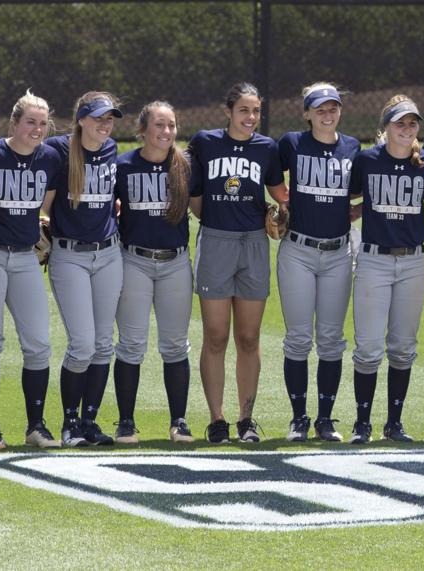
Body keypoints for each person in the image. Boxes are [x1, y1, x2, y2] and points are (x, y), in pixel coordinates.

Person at [188, 82, 286, 444]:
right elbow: (195, 198)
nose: (251, 117)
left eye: (256, 111)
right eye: (244, 110)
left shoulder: (267, 148)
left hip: (253, 244)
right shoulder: (205, 142)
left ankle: (246, 419)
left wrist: (280, 213)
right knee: (216, 335)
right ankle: (217, 419)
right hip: (216, 240)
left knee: (248, 337)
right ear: (228, 111)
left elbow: (279, 194)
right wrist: (216, 225)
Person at [0, 90, 60, 448]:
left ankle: (35, 426)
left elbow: (47, 203)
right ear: (14, 123)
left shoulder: (50, 157)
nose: (37, 129)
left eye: (42, 123)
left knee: (39, 343)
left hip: (26, 257)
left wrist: (43, 220)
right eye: (30, 122)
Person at [347, 95, 424, 445]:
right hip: (374, 260)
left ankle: (394, 423)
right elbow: (347, 198)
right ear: (386, 127)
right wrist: (356, 210)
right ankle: (362, 423)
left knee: (402, 347)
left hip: (413, 261)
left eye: (412, 123)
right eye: (400, 122)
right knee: (368, 347)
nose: (407, 128)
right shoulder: (367, 160)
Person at [276, 83, 360, 443]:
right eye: (320, 108)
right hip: (298, 249)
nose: (327, 114)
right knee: (297, 339)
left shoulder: (353, 147)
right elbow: (271, 179)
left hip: (339, 252)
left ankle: (325, 419)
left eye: (333, 108)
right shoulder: (292, 143)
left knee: (330, 340)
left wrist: (354, 212)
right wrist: (280, 203)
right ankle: (299, 418)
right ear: (307, 113)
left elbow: (360, 195)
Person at [44, 92, 124, 447]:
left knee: (104, 345)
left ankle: (90, 422)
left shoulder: (111, 149)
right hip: (70, 255)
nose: (104, 124)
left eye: (109, 118)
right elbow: (43, 207)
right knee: (82, 344)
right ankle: (69, 423)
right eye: (98, 118)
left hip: (108, 254)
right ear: (81, 120)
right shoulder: (59, 151)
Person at [113, 101, 195, 443]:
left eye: (171, 125)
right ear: (142, 130)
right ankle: (126, 422)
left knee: (176, 345)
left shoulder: (185, 165)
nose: (166, 132)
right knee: (131, 344)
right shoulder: (123, 166)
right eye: (159, 125)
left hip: (175, 261)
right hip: (134, 260)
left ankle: (178, 421)